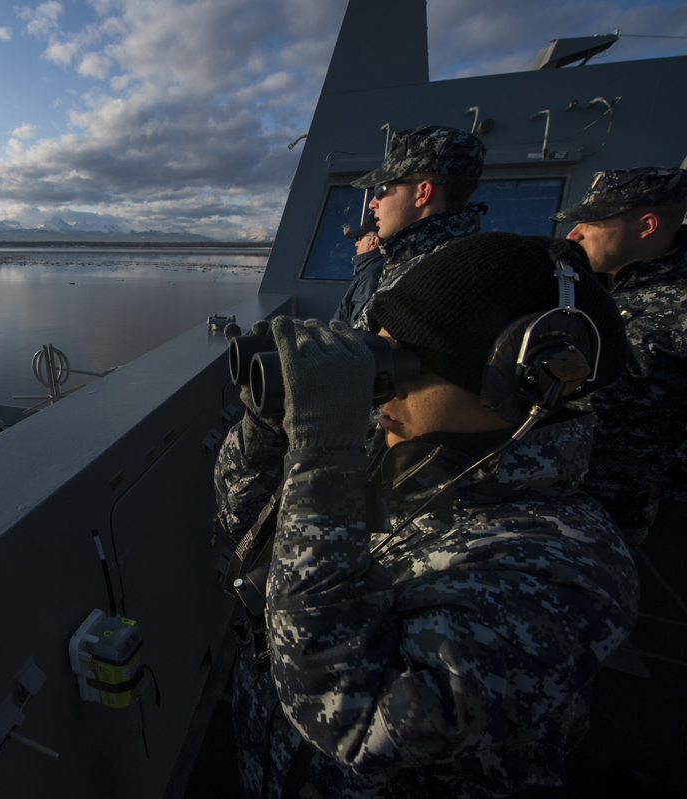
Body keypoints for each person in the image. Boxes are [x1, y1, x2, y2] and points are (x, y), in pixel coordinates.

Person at [215, 232, 635, 798]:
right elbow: (241, 521)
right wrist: (275, 423)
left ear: (524, 382)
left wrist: (321, 451)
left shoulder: (565, 566)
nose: (378, 388)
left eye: (401, 361)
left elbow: (355, 719)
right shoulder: (388, 453)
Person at [552, 166, 687, 544]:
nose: (573, 234)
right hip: (548, 483)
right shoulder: (586, 286)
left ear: (647, 225)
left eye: (591, 223)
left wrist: (664, 481)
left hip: (614, 506)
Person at [348, 125, 487, 331]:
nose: (373, 203)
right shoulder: (456, 259)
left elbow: (372, 360)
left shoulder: (431, 281)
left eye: (382, 189)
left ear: (422, 193)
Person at [331, 216, 382, 325]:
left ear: (374, 241)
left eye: (358, 239)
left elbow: (359, 330)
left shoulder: (372, 277)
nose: (356, 244)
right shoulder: (372, 270)